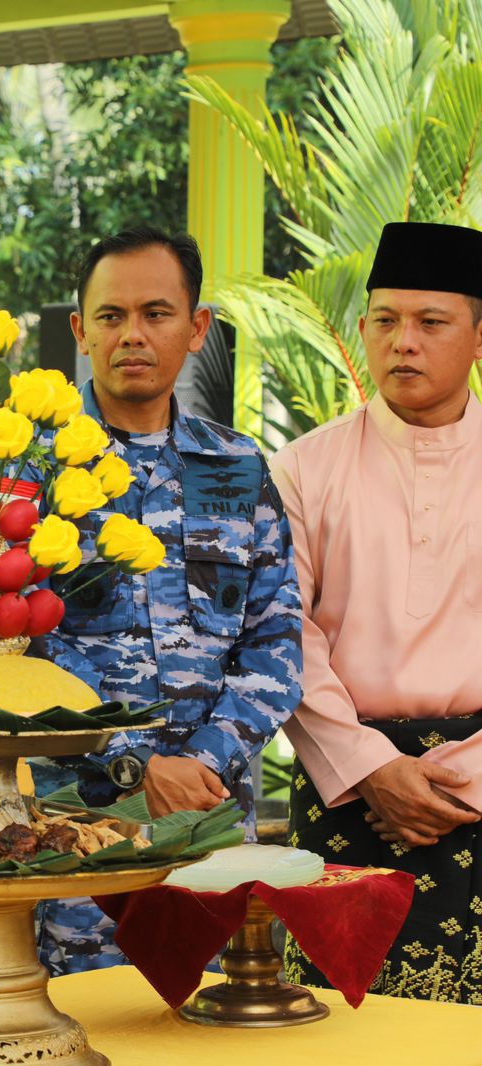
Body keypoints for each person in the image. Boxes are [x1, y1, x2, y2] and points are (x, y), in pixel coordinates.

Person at [28, 225, 302, 975]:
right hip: (81, 831)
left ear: (197, 327)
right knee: (85, 1020)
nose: (133, 335)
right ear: (80, 331)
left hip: (211, 824)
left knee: (217, 1010)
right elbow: (14, 649)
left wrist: (203, 764)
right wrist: (133, 765)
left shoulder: (236, 466)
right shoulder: (29, 468)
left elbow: (275, 640)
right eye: (111, 316)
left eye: (156, 314)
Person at [275, 221, 482, 1004]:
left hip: (477, 789)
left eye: (431, 322)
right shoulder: (304, 467)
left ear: (480, 337)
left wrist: (465, 778)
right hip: (347, 792)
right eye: (386, 320)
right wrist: (369, 768)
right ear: (362, 329)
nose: (404, 342)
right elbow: (281, 633)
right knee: (334, 1024)